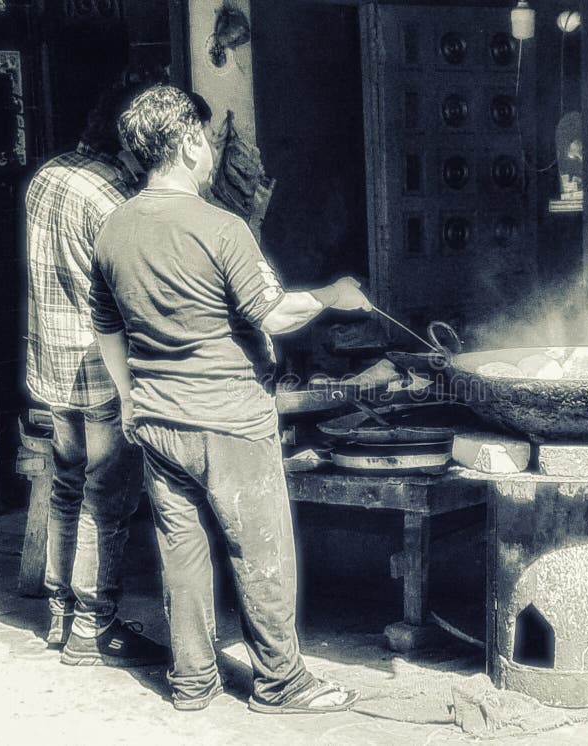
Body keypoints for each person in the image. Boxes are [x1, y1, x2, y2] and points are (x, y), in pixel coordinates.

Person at [89, 84, 370, 713]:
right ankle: (281, 682)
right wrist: (330, 295)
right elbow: (270, 315)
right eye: (206, 140)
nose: (211, 151)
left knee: (181, 552)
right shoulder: (222, 226)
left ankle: (191, 683)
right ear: (187, 141)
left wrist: (131, 401)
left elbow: (107, 329)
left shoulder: (112, 229)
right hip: (229, 420)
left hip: (158, 419)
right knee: (260, 548)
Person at [25, 82, 168, 666]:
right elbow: (128, 297)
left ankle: (60, 614)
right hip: (101, 372)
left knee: (66, 484)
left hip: (52, 367)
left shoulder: (49, 175)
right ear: (129, 142)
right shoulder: (113, 199)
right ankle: (94, 628)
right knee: (105, 500)